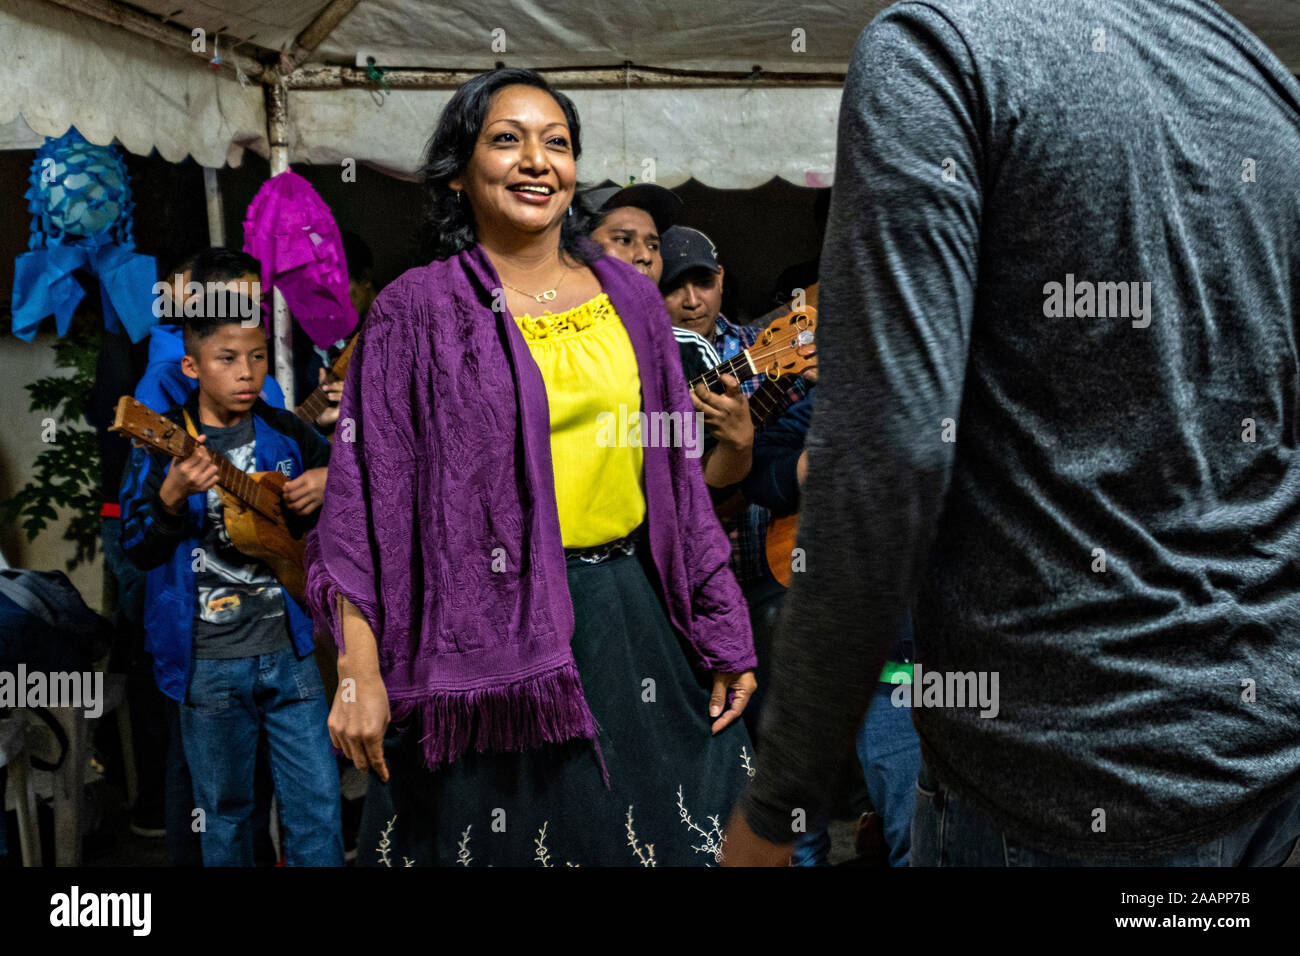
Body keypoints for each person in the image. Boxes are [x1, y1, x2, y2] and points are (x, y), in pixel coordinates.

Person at [728, 0, 1300, 867]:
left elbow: (892, 452)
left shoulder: (935, 48)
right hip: (1269, 763)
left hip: (1058, 788)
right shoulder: (1258, 73)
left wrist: (778, 806)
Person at [307, 67, 757, 866]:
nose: (536, 160)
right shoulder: (416, 312)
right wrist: (357, 670)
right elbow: (361, 509)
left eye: (557, 142)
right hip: (480, 637)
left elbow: (683, 489)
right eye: (506, 139)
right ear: (458, 172)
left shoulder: (629, 299)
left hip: (626, 620)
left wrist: (725, 629)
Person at [119, 287, 343, 866]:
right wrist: (170, 497)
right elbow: (136, 548)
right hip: (208, 662)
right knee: (225, 814)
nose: (247, 373)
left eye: (258, 357)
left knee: (318, 807)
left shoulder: (285, 431)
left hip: (294, 652)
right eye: (227, 359)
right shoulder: (159, 441)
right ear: (192, 366)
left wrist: (329, 482)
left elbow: (349, 498)